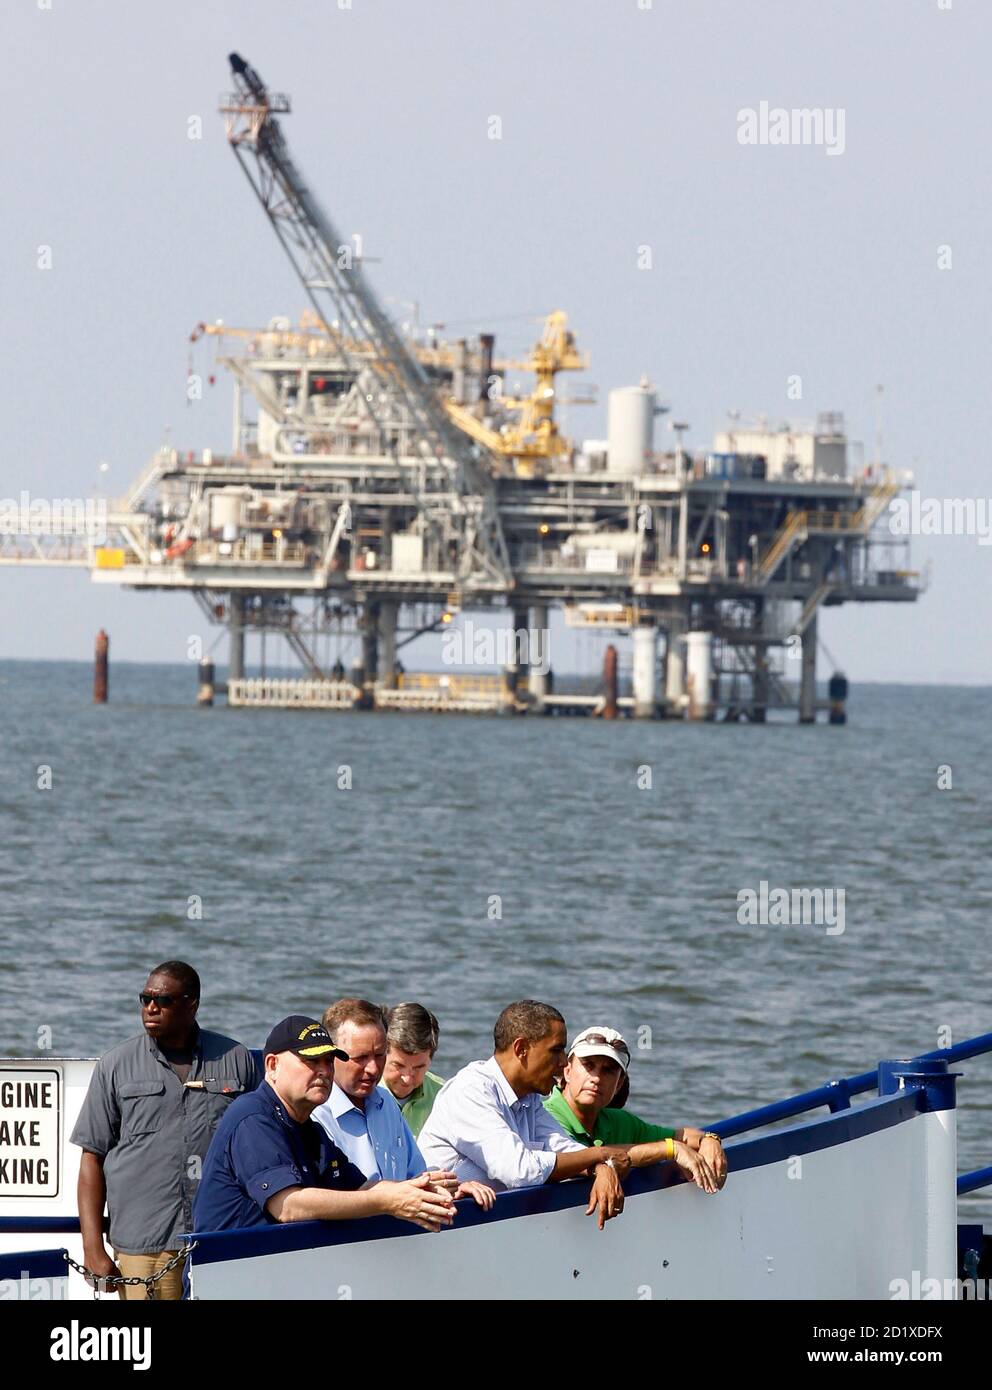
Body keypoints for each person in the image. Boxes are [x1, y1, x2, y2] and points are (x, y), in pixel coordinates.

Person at [71, 961, 260, 1300]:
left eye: (163, 1000)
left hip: (219, 1237)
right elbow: (91, 1159)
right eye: (145, 999)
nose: (151, 1008)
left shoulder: (236, 1059)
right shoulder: (115, 1065)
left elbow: (258, 1147)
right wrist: (92, 1247)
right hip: (144, 1245)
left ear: (192, 1004)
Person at [193, 1016, 463, 1233]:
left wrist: (423, 1193)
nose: (323, 1071)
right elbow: (289, 1207)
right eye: (311, 1060)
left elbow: (362, 1188)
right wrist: (389, 1202)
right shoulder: (253, 1117)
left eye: (328, 1061)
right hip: (227, 1274)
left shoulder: (309, 1129)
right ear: (272, 1066)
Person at [418, 1000, 631, 1228]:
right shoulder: (470, 1090)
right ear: (521, 1049)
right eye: (556, 1050)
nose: (563, 1063)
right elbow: (518, 1171)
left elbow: (568, 1150)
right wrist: (600, 1155)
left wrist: (602, 1166)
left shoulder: (530, 1099)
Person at [313, 999, 493, 1209]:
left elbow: (417, 1179)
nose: (372, 1068)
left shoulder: (387, 1104)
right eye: (361, 1058)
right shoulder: (312, 1114)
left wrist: (454, 1191)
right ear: (330, 1056)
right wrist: (398, 1195)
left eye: (379, 1055)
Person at [543, 1026, 727, 1192]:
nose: (597, 1078)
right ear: (567, 1070)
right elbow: (583, 1158)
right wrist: (672, 1149)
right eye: (588, 1065)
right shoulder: (543, 1116)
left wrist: (709, 1140)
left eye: (608, 1070)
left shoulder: (621, 1121)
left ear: (619, 1084)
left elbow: (684, 1136)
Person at [379, 1001, 445, 1139]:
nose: (407, 1078)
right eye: (398, 1065)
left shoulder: (444, 1097)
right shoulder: (360, 1093)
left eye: (419, 1068)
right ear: (382, 1053)